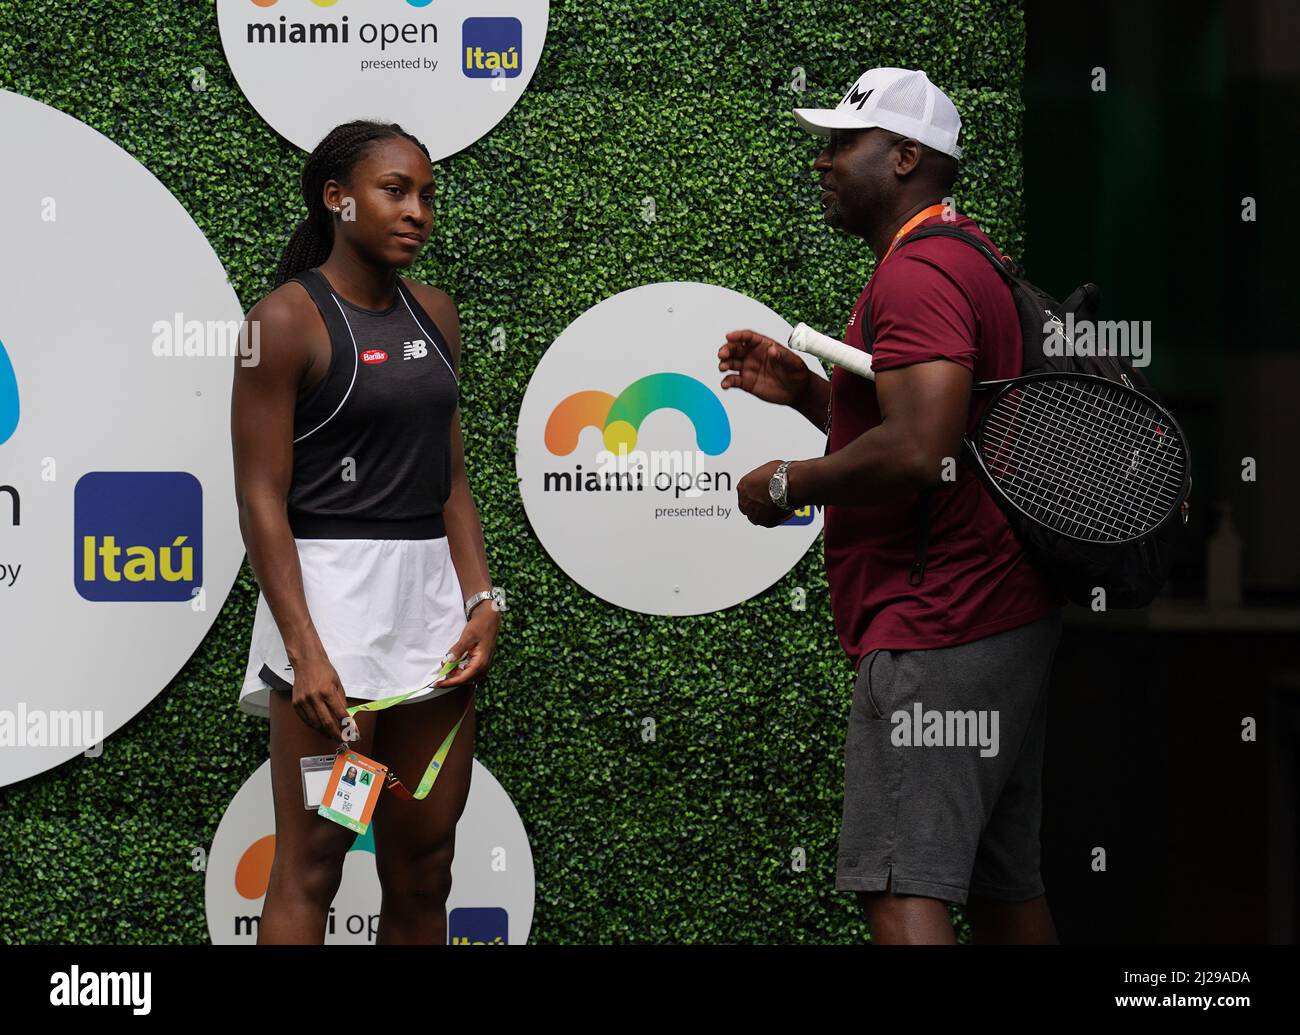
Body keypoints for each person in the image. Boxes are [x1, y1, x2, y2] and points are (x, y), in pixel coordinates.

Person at [719, 68, 1065, 944]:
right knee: (1002, 884)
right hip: (1001, 615)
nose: (822, 163)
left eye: (842, 144)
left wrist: (790, 480)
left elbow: (921, 448)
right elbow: (953, 429)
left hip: (937, 624)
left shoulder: (919, 274)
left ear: (906, 156)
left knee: (903, 885)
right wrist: (810, 396)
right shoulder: (971, 254)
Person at [231, 119, 502, 945]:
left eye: (426, 194)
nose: (418, 210)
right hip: (333, 615)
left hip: (431, 617)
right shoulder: (279, 322)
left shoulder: (438, 314)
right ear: (337, 198)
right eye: (396, 191)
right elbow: (259, 499)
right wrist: (306, 647)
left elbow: (448, 476)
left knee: (425, 863)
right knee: (314, 861)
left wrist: (482, 599)